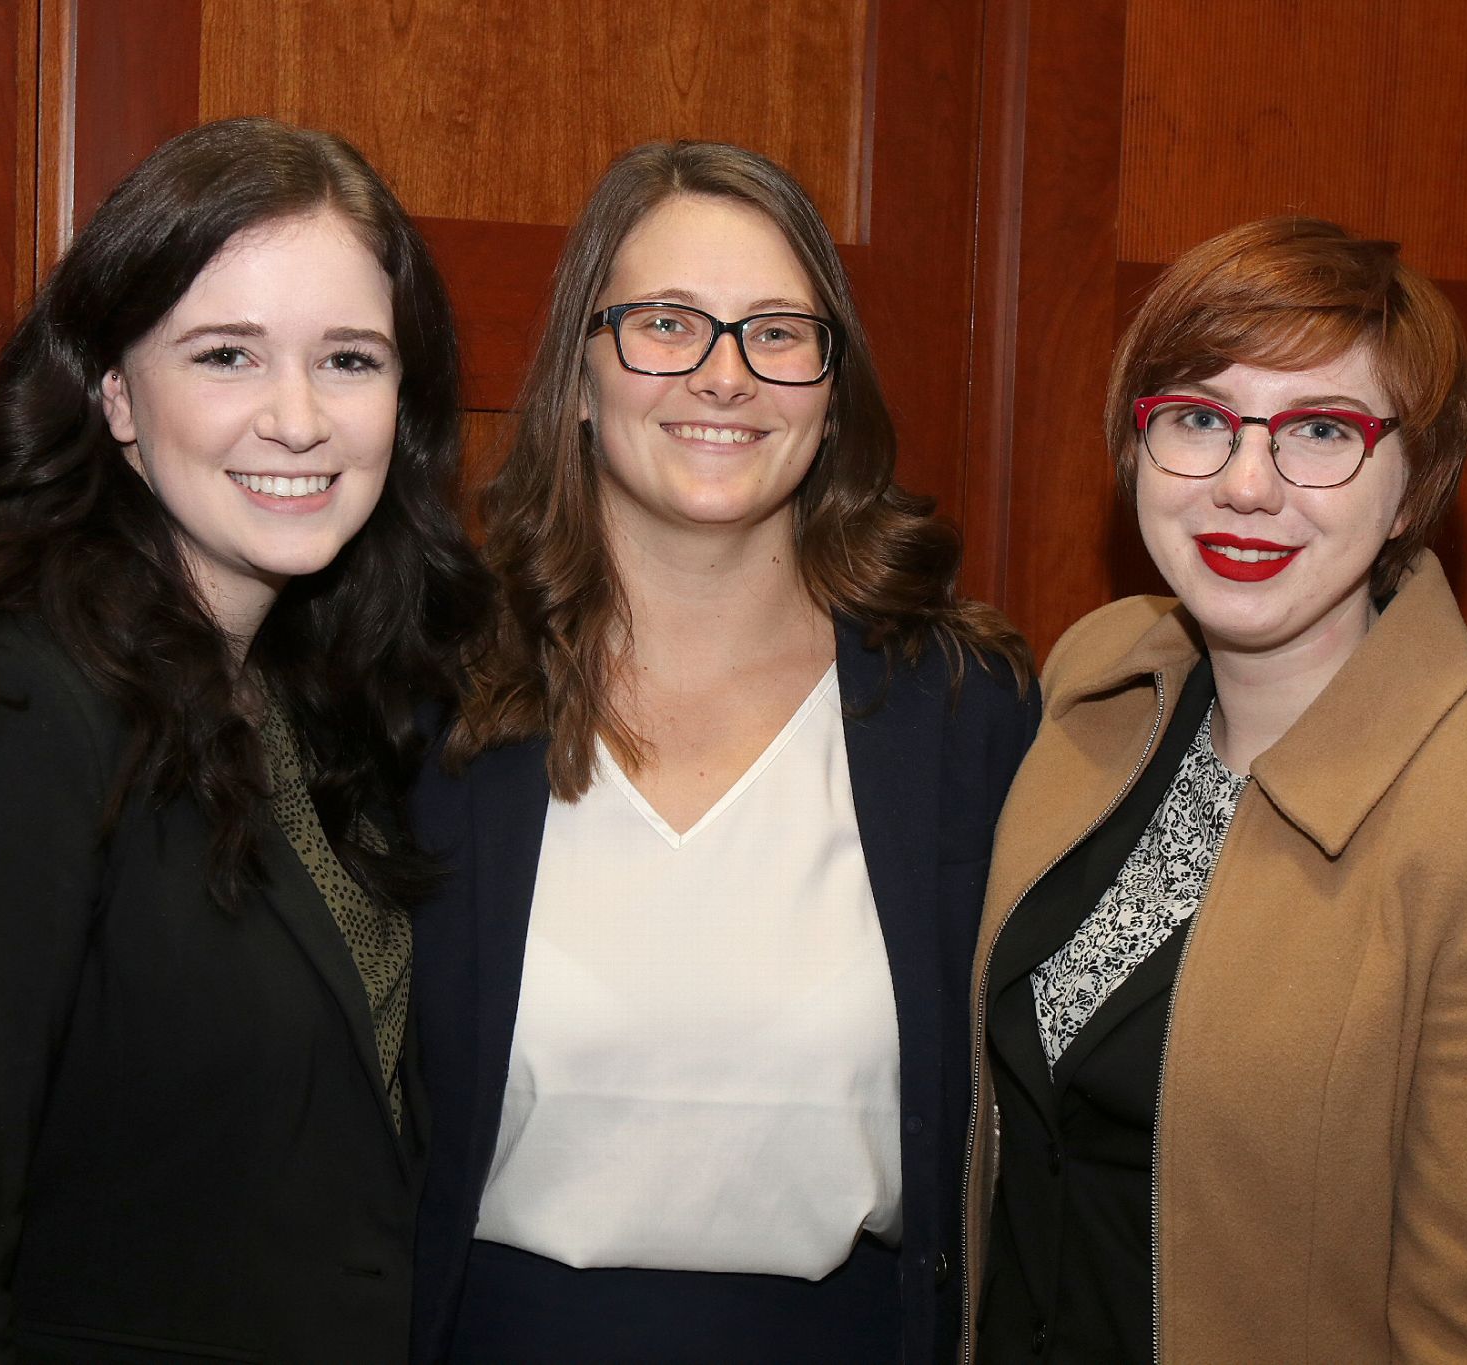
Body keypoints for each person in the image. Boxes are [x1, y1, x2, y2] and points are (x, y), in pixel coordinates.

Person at [0, 117, 485, 1362]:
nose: (300, 419)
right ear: (114, 395)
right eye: (225, 355)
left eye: (351, 359)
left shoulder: (329, 707)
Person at [962, 217, 1467, 1363]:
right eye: (1197, 419)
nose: (1246, 485)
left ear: (1410, 487)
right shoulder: (1101, 677)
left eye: (1321, 431)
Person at [409, 141, 1039, 1364]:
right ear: (579, 379)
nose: (723, 374)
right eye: (665, 323)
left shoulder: (964, 715)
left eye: (776, 332)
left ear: (829, 388)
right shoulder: (433, 700)